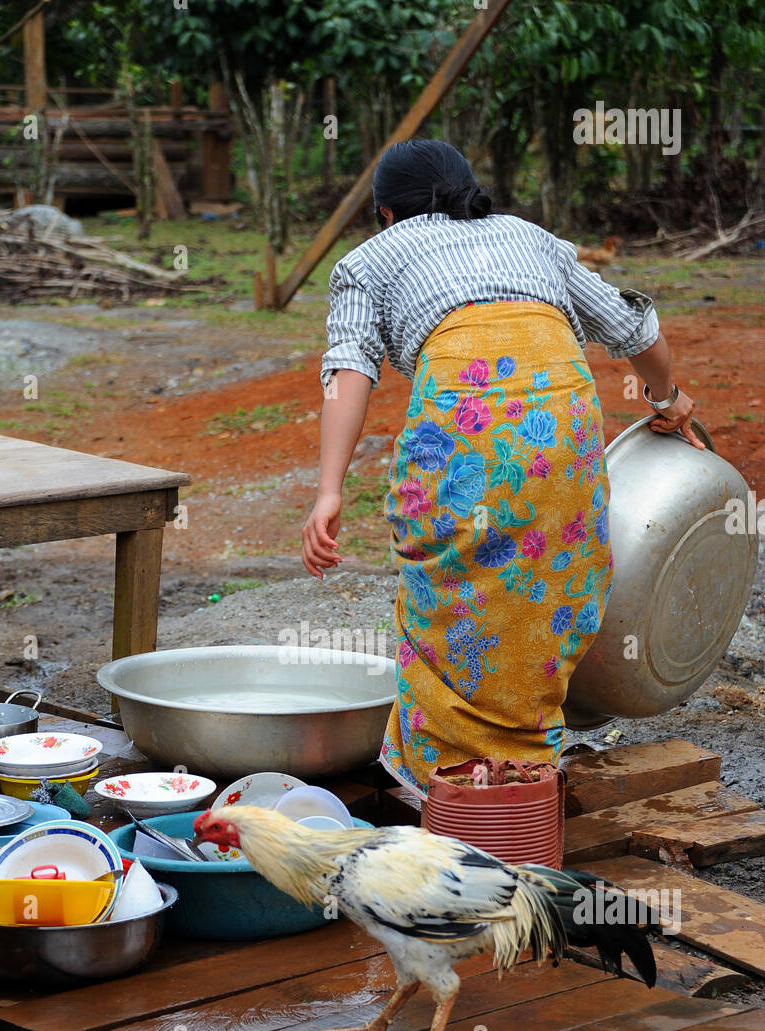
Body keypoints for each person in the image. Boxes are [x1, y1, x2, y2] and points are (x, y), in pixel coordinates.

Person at [301, 138, 704, 796]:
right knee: (547, 581)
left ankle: (452, 785)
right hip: (561, 425)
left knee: (454, 589)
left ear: (385, 214)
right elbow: (633, 329)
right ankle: (525, 768)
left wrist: (327, 491)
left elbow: (349, 371)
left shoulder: (368, 260)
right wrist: (667, 399)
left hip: (465, 425)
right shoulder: (531, 236)